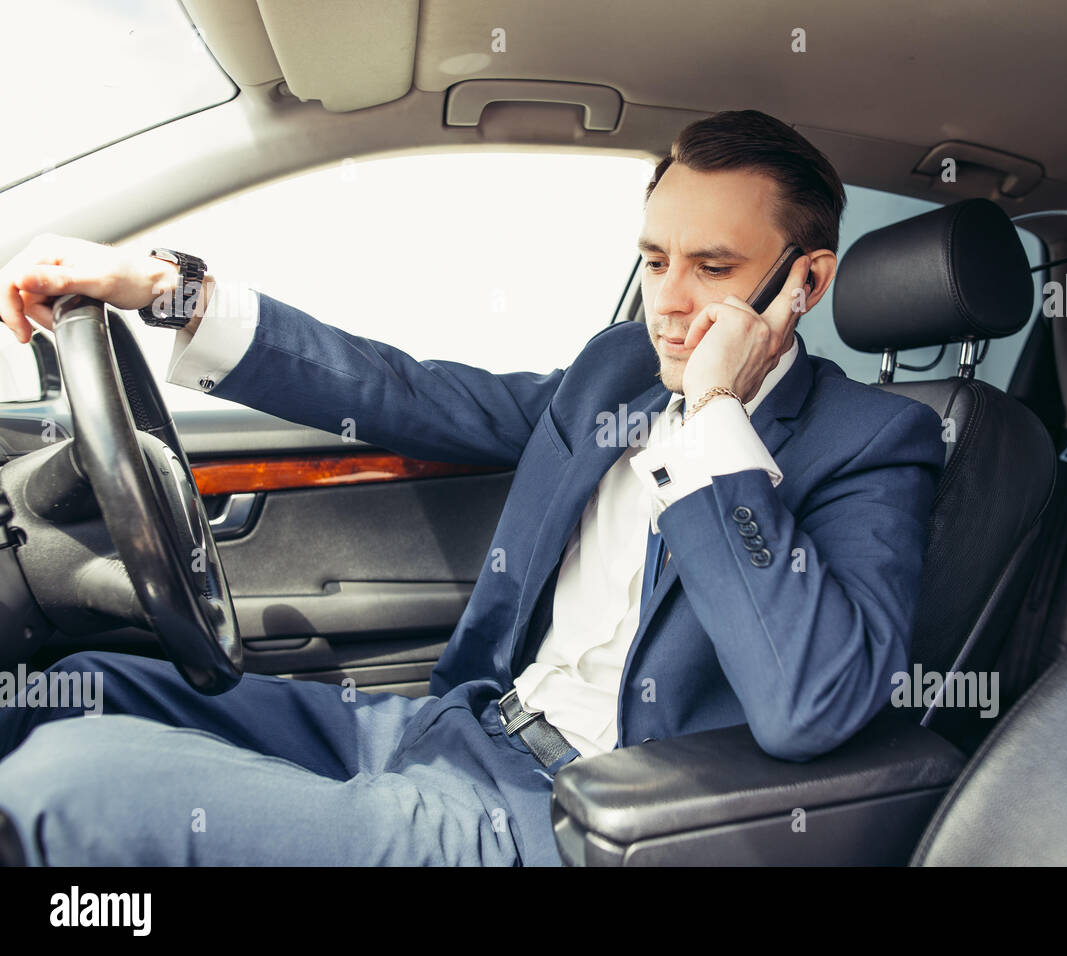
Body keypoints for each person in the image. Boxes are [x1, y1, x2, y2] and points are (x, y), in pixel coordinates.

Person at [0, 110, 945, 866]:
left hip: (570, 816)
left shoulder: (875, 442)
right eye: (656, 261)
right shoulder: (616, 367)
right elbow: (407, 392)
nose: (668, 302)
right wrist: (163, 288)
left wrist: (711, 420)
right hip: (456, 724)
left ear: (804, 282)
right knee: (75, 692)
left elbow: (815, 699)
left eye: (714, 269)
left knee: (69, 792)